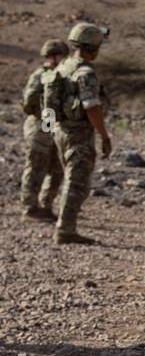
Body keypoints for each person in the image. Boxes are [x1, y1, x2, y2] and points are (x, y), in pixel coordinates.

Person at [43, 23, 112, 245]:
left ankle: (65, 226)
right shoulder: (85, 73)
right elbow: (92, 107)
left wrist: (51, 131)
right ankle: (65, 230)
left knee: (71, 180)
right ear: (92, 47)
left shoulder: (62, 68)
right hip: (79, 135)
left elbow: (48, 105)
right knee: (77, 183)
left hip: (61, 132)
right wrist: (104, 135)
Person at [20, 39, 69, 221]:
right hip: (42, 122)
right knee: (36, 165)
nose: (55, 60)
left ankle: (46, 206)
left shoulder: (66, 76)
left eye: (59, 56)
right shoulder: (40, 75)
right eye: (52, 56)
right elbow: (28, 102)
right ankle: (30, 209)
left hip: (56, 125)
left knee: (57, 168)